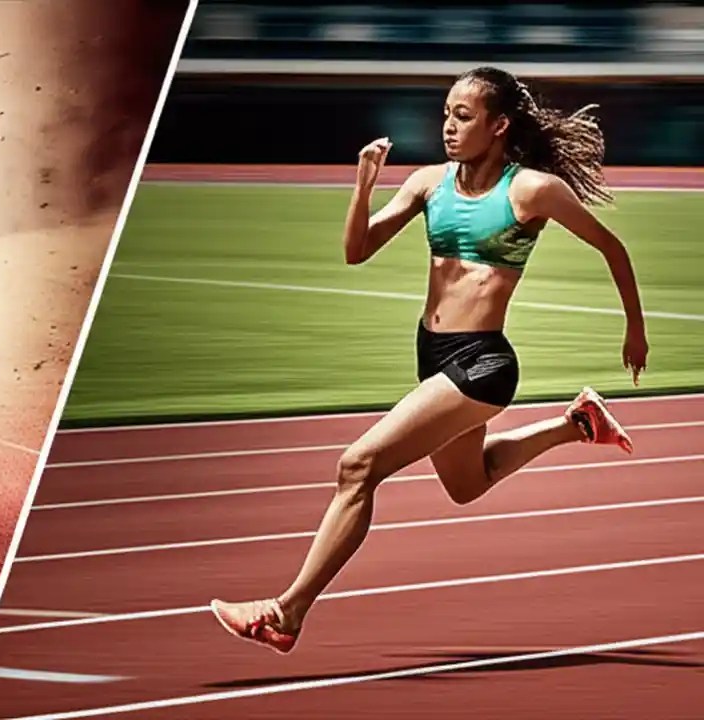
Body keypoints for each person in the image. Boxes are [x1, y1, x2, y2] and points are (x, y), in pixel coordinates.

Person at [210, 66, 648, 653]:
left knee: (358, 466)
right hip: (433, 354)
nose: (448, 126)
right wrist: (364, 183)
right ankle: (576, 424)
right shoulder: (427, 183)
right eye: (445, 113)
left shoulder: (531, 191)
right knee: (467, 485)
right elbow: (356, 250)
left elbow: (612, 248)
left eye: (463, 116)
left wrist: (635, 329)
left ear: (499, 126)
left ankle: (287, 612)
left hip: (483, 362)